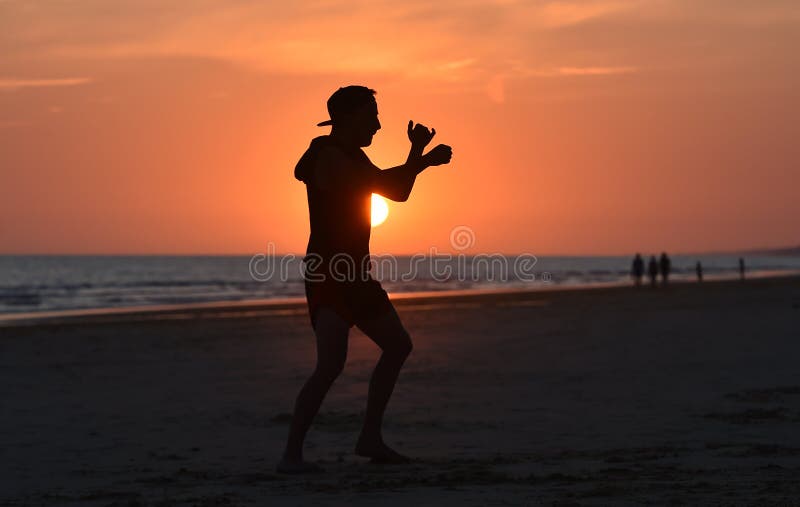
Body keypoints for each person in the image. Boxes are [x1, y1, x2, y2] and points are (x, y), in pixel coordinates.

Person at [277, 85, 453, 474]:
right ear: (349, 117)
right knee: (330, 365)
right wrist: (421, 160)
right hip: (329, 272)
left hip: (358, 273)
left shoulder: (356, 158)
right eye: (371, 114)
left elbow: (398, 193)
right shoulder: (325, 153)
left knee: (397, 346)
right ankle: (291, 456)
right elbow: (372, 183)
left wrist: (416, 154)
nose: (377, 123)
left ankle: (370, 438)